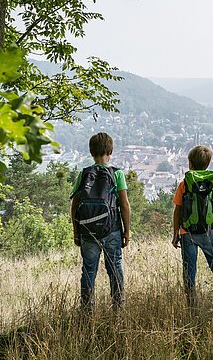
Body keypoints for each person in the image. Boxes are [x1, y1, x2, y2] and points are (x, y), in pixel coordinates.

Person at [70, 132, 131, 310]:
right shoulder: (117, 174)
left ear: (91, 152)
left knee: (89, 270)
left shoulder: (83, 174)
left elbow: (75, 206)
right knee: (115, 268)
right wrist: (126, 231)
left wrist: (76, 231)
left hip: (87, 231)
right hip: (111, 230)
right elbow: (125, 205)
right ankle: (118, 308)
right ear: (110, 151)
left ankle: (87, 310)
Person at [172, 145, 213, 304]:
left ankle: (191, 302)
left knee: (189, 269)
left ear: (190, 163)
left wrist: (176, 233)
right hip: (208, 231)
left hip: (187, 232)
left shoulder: (185, 184)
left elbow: (177, 210)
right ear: (207, 164)